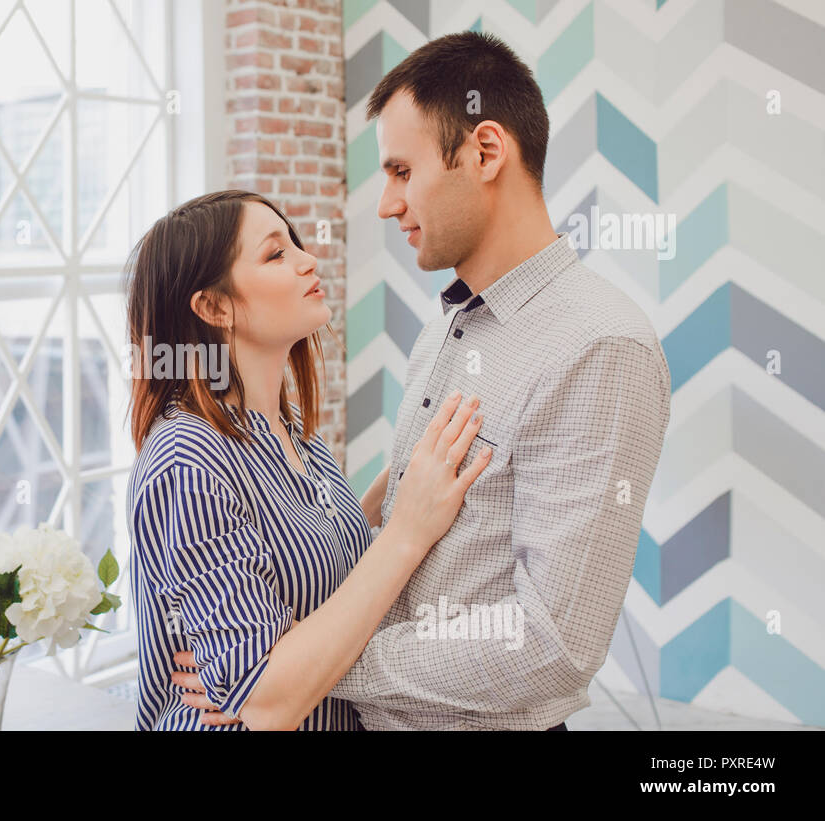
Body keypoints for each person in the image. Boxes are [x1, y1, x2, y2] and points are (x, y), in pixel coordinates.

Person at [178, 31, 672, 730]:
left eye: (402, 172)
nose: (385, 203)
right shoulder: (448, 325)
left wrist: (299, 664)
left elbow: (552, 641)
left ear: (485, 152)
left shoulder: (599, 345)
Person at [126, 189, 489, 730]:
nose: (308, 259)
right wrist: (407, 532)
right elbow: (268, 700)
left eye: (293, 243)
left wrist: (406, 483)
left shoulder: (292, 432)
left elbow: (319, 552)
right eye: (276, 254)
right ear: (213, 306)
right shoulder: (188, 458)